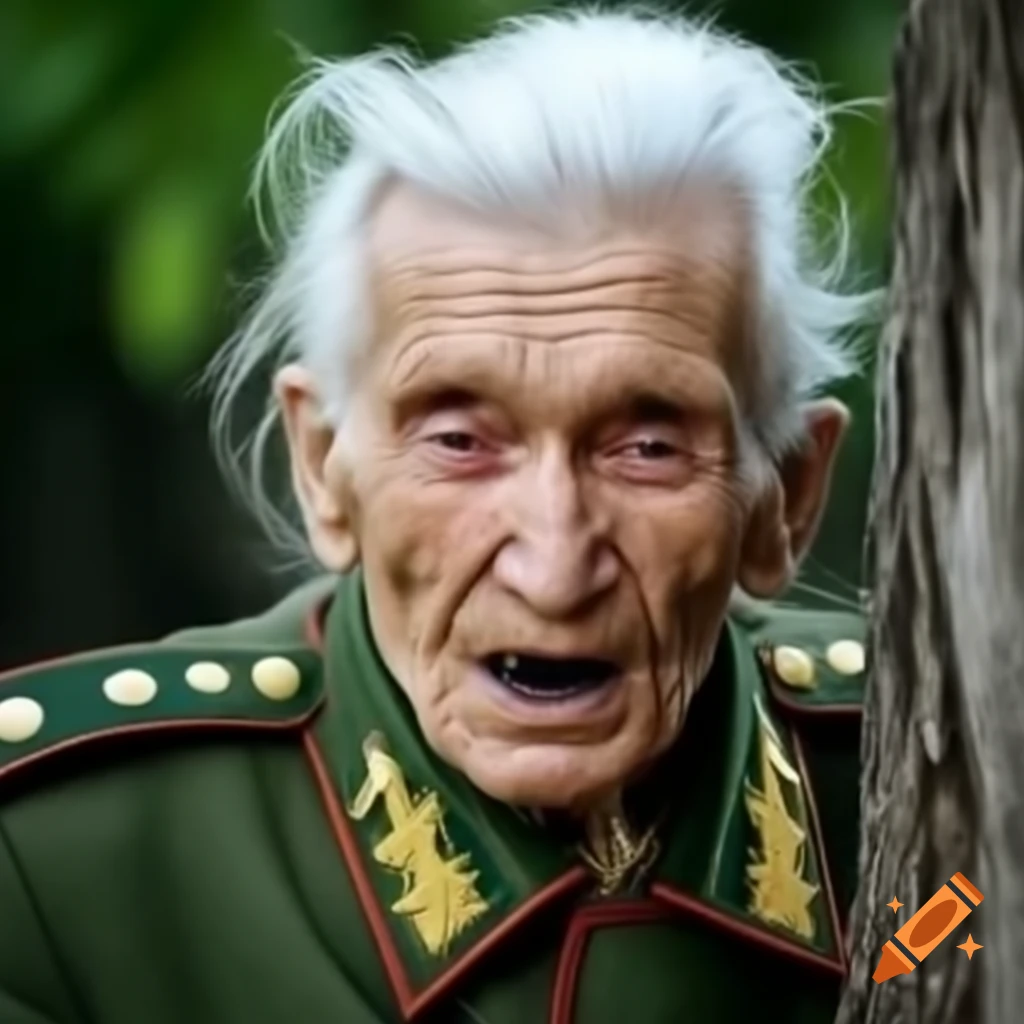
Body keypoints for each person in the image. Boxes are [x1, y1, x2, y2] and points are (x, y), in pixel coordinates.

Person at [0, 9, 878, 1024]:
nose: (553, 567)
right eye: (460, 441)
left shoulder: (941, 781)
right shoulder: (52, 865)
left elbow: (957, 944)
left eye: (647, 448)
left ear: (787, 498)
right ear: (324, 467)